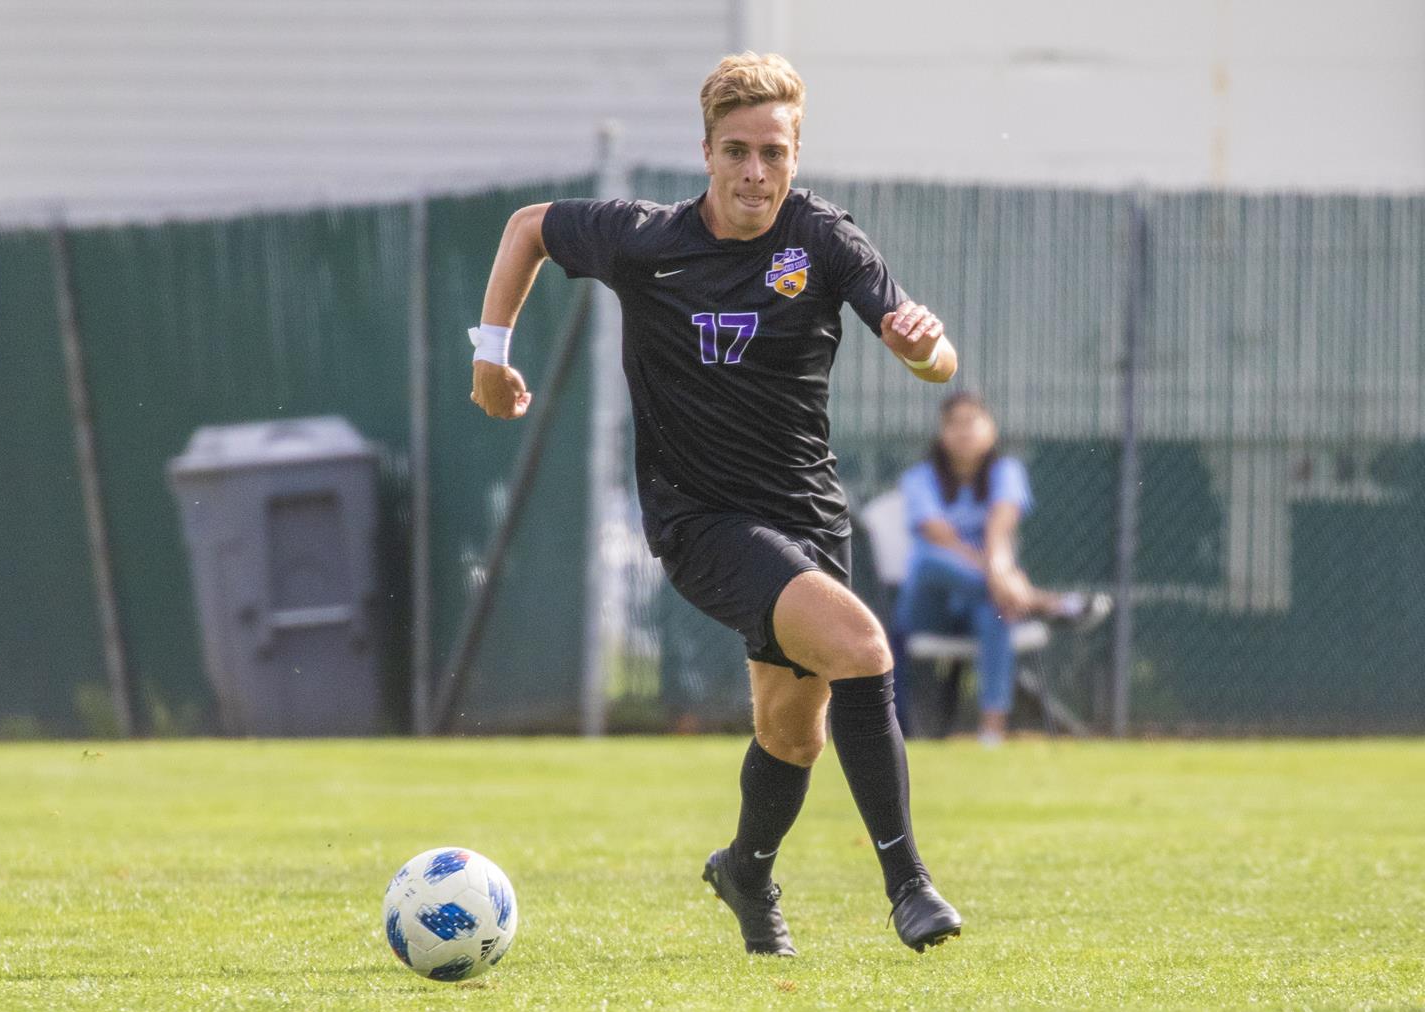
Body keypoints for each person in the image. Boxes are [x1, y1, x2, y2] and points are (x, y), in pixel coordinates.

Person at [468, 52, 961, 957]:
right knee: (862, 649)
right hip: (700, 520)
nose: (755, 173)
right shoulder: (646, 240)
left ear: (796, 157)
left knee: (793, 729)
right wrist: (489, 354)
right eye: (737, 151)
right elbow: (527, 227)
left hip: (809, 516)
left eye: (774, 153)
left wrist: (924, 348)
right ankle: (909, 887)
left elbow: (930, 355)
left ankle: (745, 868)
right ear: (706, 153)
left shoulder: (821, 238)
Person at [895, 392, 1109, 746]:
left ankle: (991, 731)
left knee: (995, 609)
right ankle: (1045, 603)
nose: (963, 432)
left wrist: (999, 572)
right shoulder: (920, 478)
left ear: (991, 430)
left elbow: (1000, 528)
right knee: (929, 561)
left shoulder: (1006, 472)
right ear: (942, 433)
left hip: (987, 596)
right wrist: (1005, 579)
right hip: (928, 605)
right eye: (954, 424)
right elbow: (941, 537)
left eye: (972, 422)